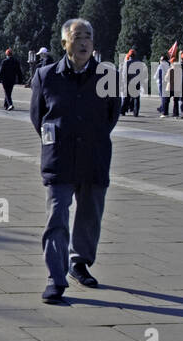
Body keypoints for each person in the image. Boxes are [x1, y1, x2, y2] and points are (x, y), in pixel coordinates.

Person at [31, 18, 120, 305]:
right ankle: (55, 278)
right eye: (78, 36)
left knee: (90, 214)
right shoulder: (46, 75)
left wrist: (90, 136)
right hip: (59, 156)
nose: (84, 42)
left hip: (94, 154)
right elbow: (38, 117)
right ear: (64, 43)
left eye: (89, 37)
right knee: (57, 215)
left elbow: (111, 116)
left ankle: (79, 264)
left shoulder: (106, 76)